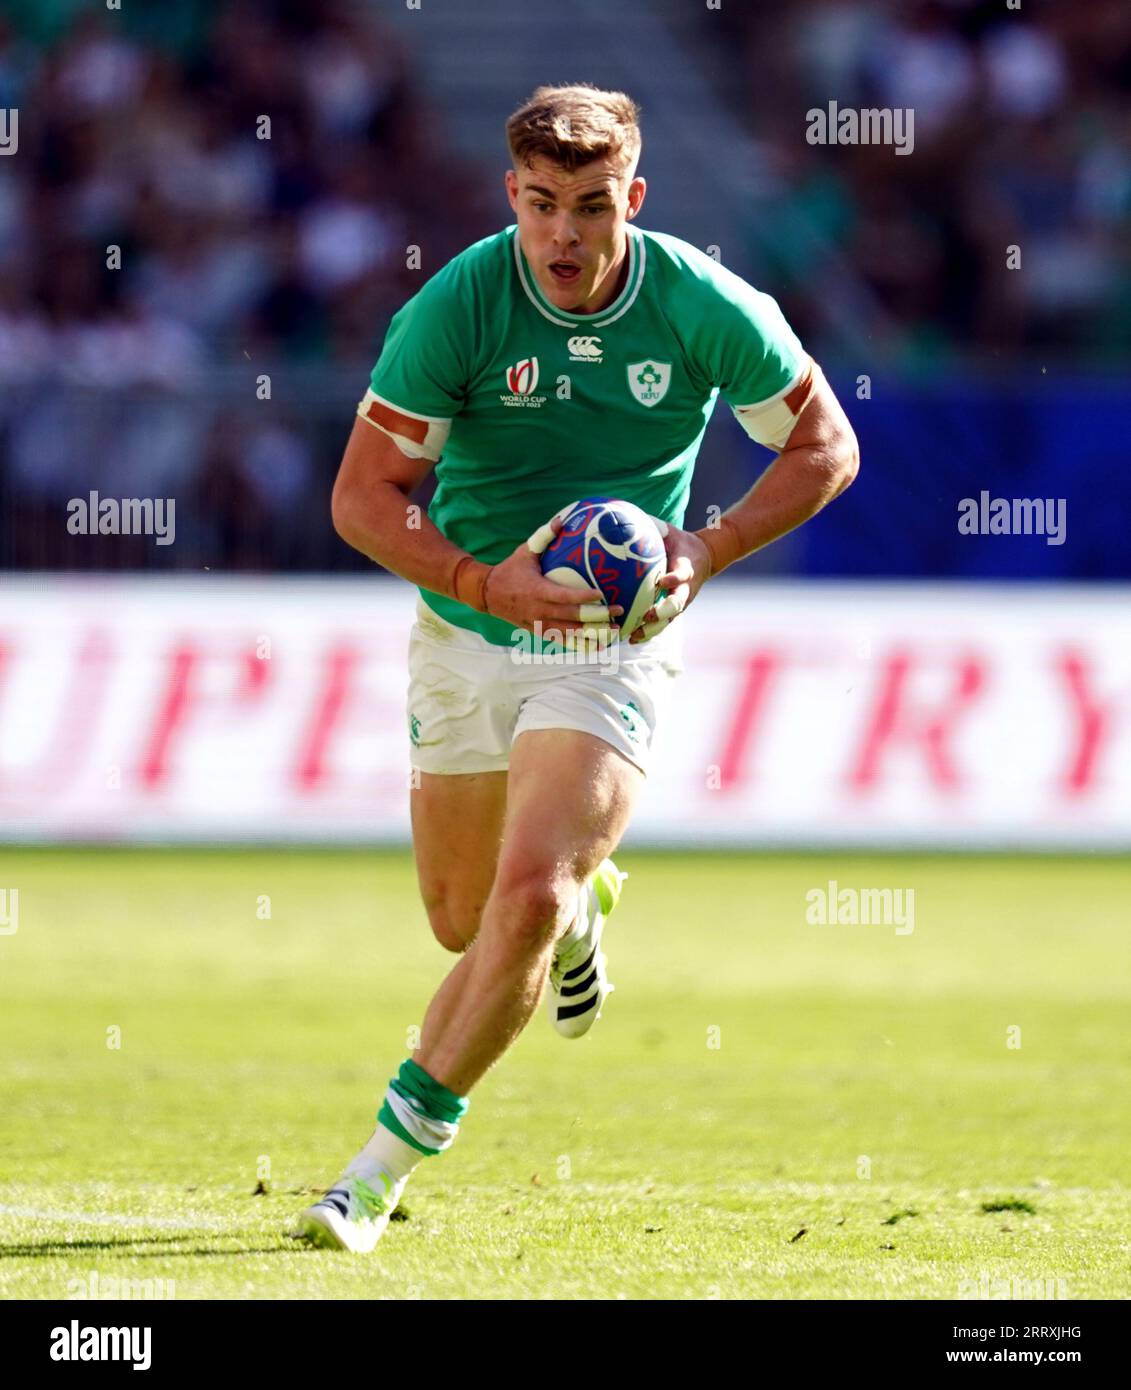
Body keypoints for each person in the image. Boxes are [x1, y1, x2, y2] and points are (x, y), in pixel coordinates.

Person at [299, 83, 858, 1251]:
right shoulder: (455, 307)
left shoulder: (705, 304)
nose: (564, 234)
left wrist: (705, 546)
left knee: (526, 895)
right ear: (511, 195)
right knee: (463, 921)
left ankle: (372, 1176)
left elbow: (825, 445)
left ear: (633, 201)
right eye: (542, 204)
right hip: (467, 628)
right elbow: (361, 498)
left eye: (591, 207)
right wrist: (480, 581)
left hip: (612, 642)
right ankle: (586, 913)